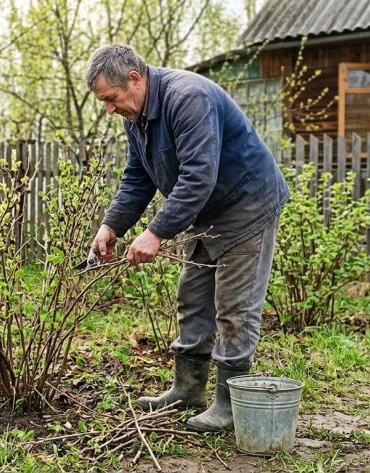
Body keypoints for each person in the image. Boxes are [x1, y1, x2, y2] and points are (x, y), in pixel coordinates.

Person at [85, 44, 289, 432]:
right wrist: (111, 226)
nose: (110, 109)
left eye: (111, 99)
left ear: (134, 79)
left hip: (246, 205)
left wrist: (156, 232)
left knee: (235, 307)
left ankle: (230, 406)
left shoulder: (187, 97)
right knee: (193, 299)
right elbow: (138, 178)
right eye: (104, 103)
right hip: (208, 212)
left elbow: (199, 175)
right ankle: (188, 389)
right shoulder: (138, 115)